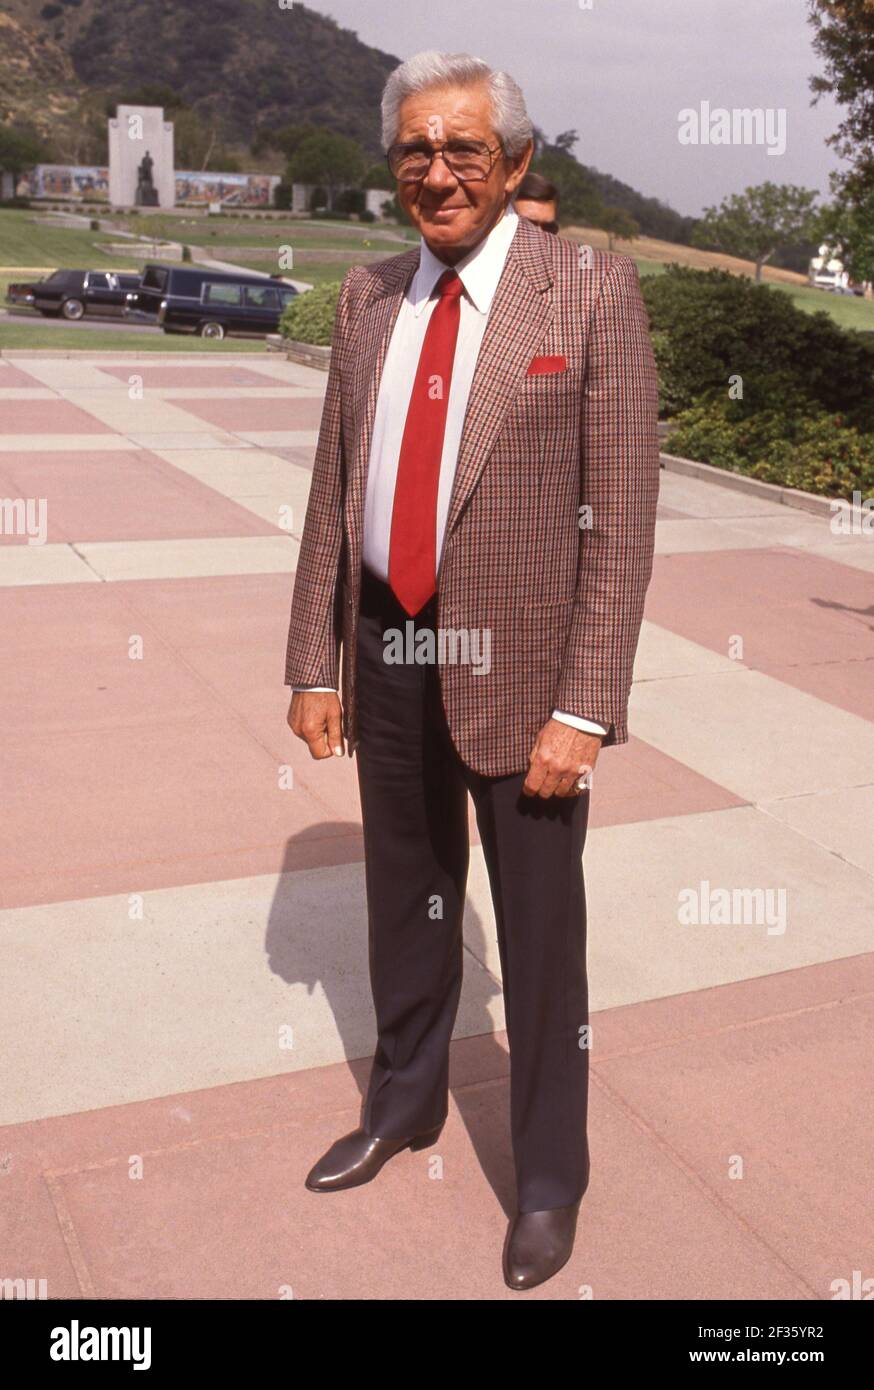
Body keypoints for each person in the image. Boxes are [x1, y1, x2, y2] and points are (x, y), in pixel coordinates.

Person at [284, 49, 659, 1292]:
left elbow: (621, 521)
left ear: (515, 162)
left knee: (541, 940)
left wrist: (585, 705)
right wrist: (315, 660)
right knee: (406, 898)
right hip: (388, 643)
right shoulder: (367, 296)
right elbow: (334, 492)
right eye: (415, 149)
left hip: (526, 673)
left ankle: (548, 1177)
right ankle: (404, 1102)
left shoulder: (588, 292)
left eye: (464, 150)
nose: (437, 172)